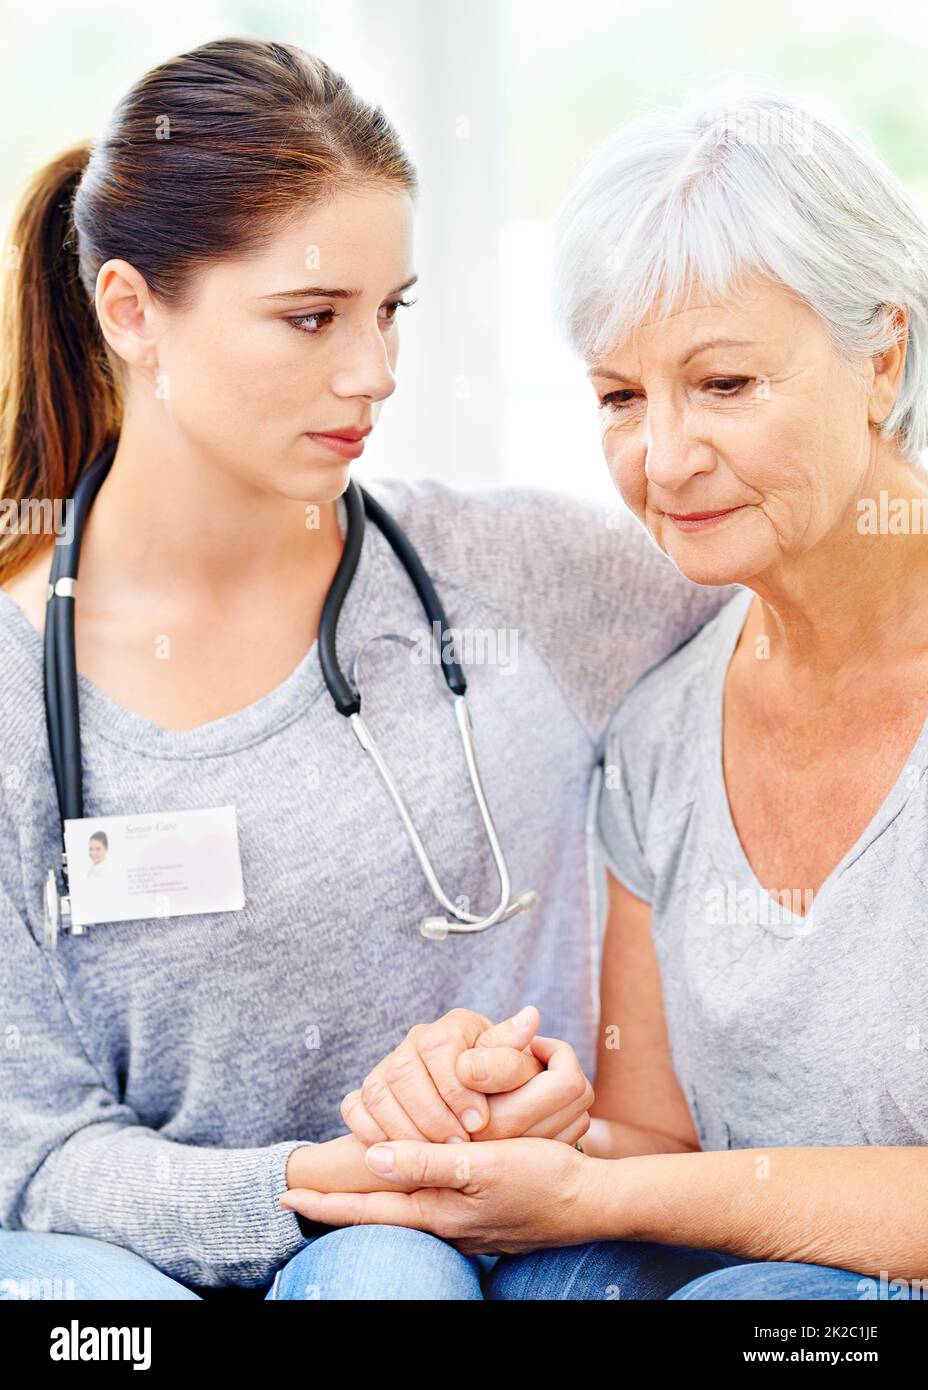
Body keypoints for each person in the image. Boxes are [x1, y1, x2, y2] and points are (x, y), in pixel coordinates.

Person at [0, 37, 729, 1300]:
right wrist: (318, 1184)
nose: (374, 374)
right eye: (311, 317)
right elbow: (30, 1152)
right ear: (131, 312)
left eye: (390, 310)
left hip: (534, 1247)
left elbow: (830, 594)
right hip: (171, 1270)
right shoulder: (19, 692)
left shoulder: (515, 574)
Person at [281, 84, 928, 1301]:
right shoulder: (660, 734)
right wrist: (506, 1124)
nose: (665, 458)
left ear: (879, 353)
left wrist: (599, 1191)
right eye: (621, 397)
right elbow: (662, 1147)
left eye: (725, 384)